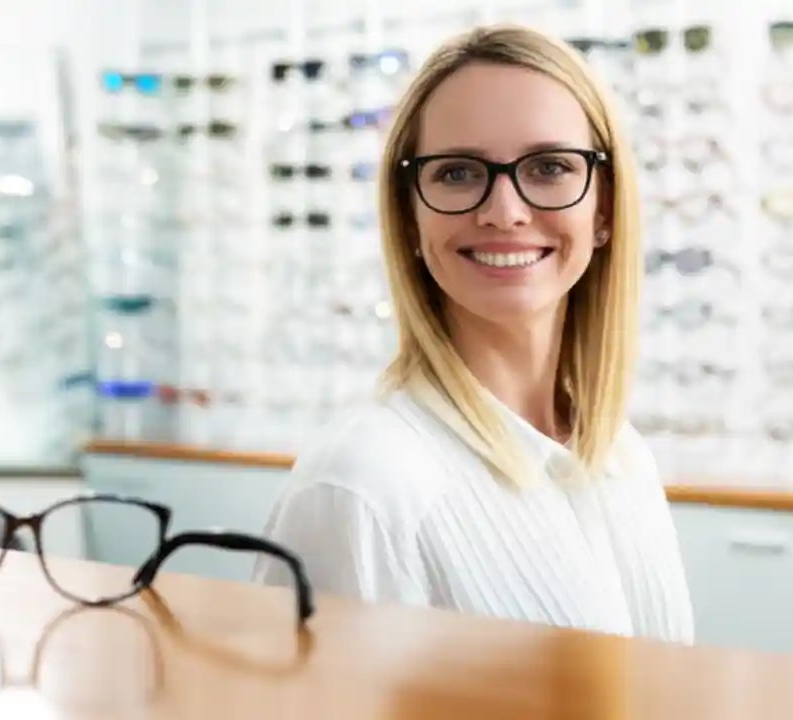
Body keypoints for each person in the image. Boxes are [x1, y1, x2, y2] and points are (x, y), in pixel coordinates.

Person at [252, 23, 694, 644]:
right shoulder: (362, 487)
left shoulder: (620, 455)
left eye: (549, 167)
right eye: (458, 173)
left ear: (604, 210)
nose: (505, 211)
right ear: (410, 214)